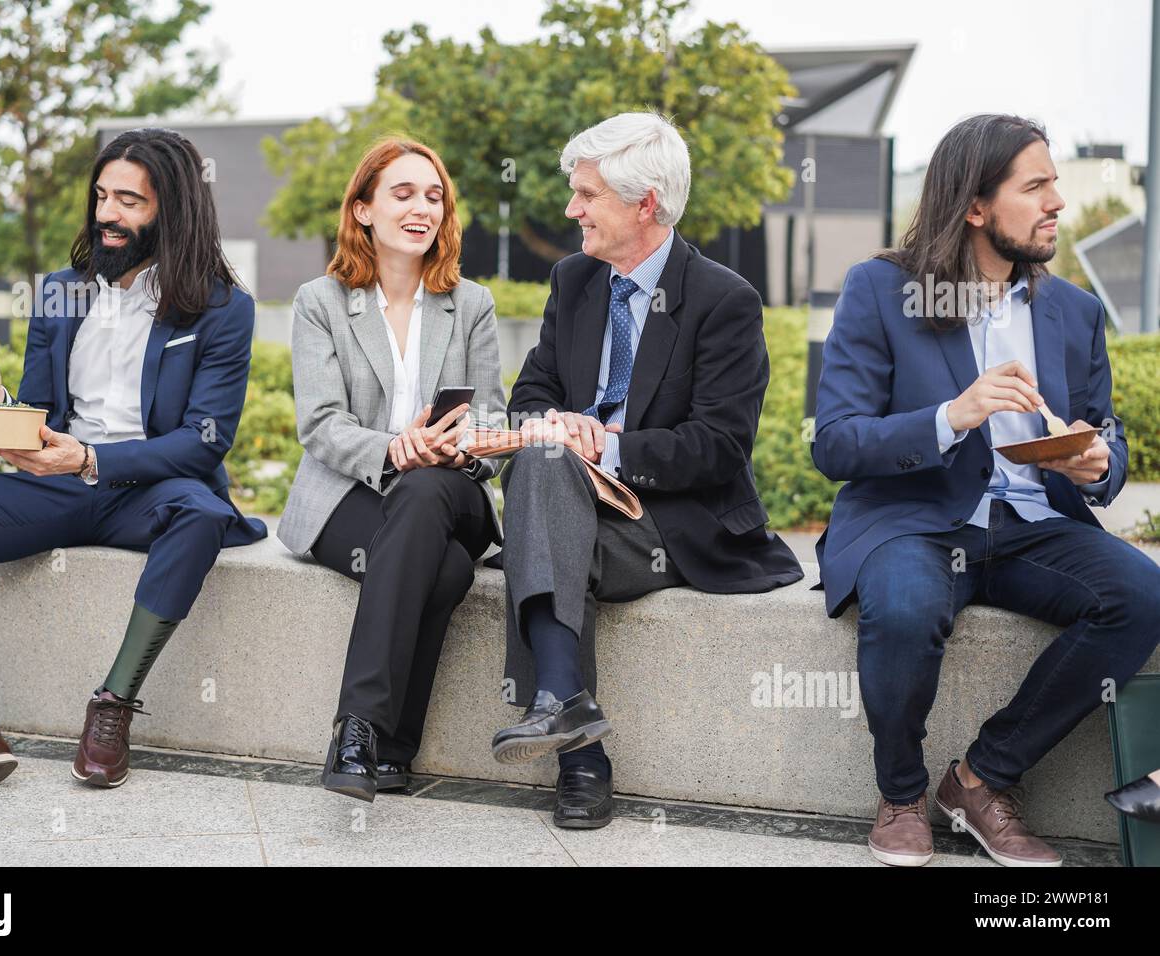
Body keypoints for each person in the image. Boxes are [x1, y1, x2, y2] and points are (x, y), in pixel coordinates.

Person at [0, 127, 266, 798]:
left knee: (201, 514)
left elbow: (205, 441)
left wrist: (89, 457)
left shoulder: (223, 309)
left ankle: (113, 706)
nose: (108, 215)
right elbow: (39, 423)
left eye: (130, 202)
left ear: (172, 210)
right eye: (102, 197)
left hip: (153, 491)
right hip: (62, 487)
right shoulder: (61, 291)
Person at [811, 114, 1160, 867]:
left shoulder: (1075, 309)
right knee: (904, 606)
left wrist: (1097, 462)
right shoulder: (883, 289)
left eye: (1055, 183)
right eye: (1035, 186)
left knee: (1141, 595)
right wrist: (951, 415)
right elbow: (834, 441)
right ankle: (900, 794)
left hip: (1033, 524)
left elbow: (1107, 430)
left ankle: (980, 778)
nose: (1057, 202)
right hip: (914, 520)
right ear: (975, 206)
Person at [492, 112, 803, 830]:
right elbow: (532, 392)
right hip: (571, 500)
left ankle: (576, 748)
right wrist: (557, 425)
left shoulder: (724, 300)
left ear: (646, 204)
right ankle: (576, 737)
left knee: (547, 524)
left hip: (671, 519)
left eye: (587, 195)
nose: (571, 210)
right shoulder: (574, 281)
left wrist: (603, 445)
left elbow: (719, 447)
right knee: (543, 462)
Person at [276, 139, 506, 803]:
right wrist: (391, 448)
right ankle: (394, 750)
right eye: (403, 193)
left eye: (433, 196)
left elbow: (491, 417)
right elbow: (321, 425)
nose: (422, 208)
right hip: (349, 495)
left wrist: (459, 441)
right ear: (363, 209)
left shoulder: (472, 304)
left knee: (431, 485)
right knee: (446, 569)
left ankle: (356, 727)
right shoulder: (320, 302)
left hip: (452, 490)